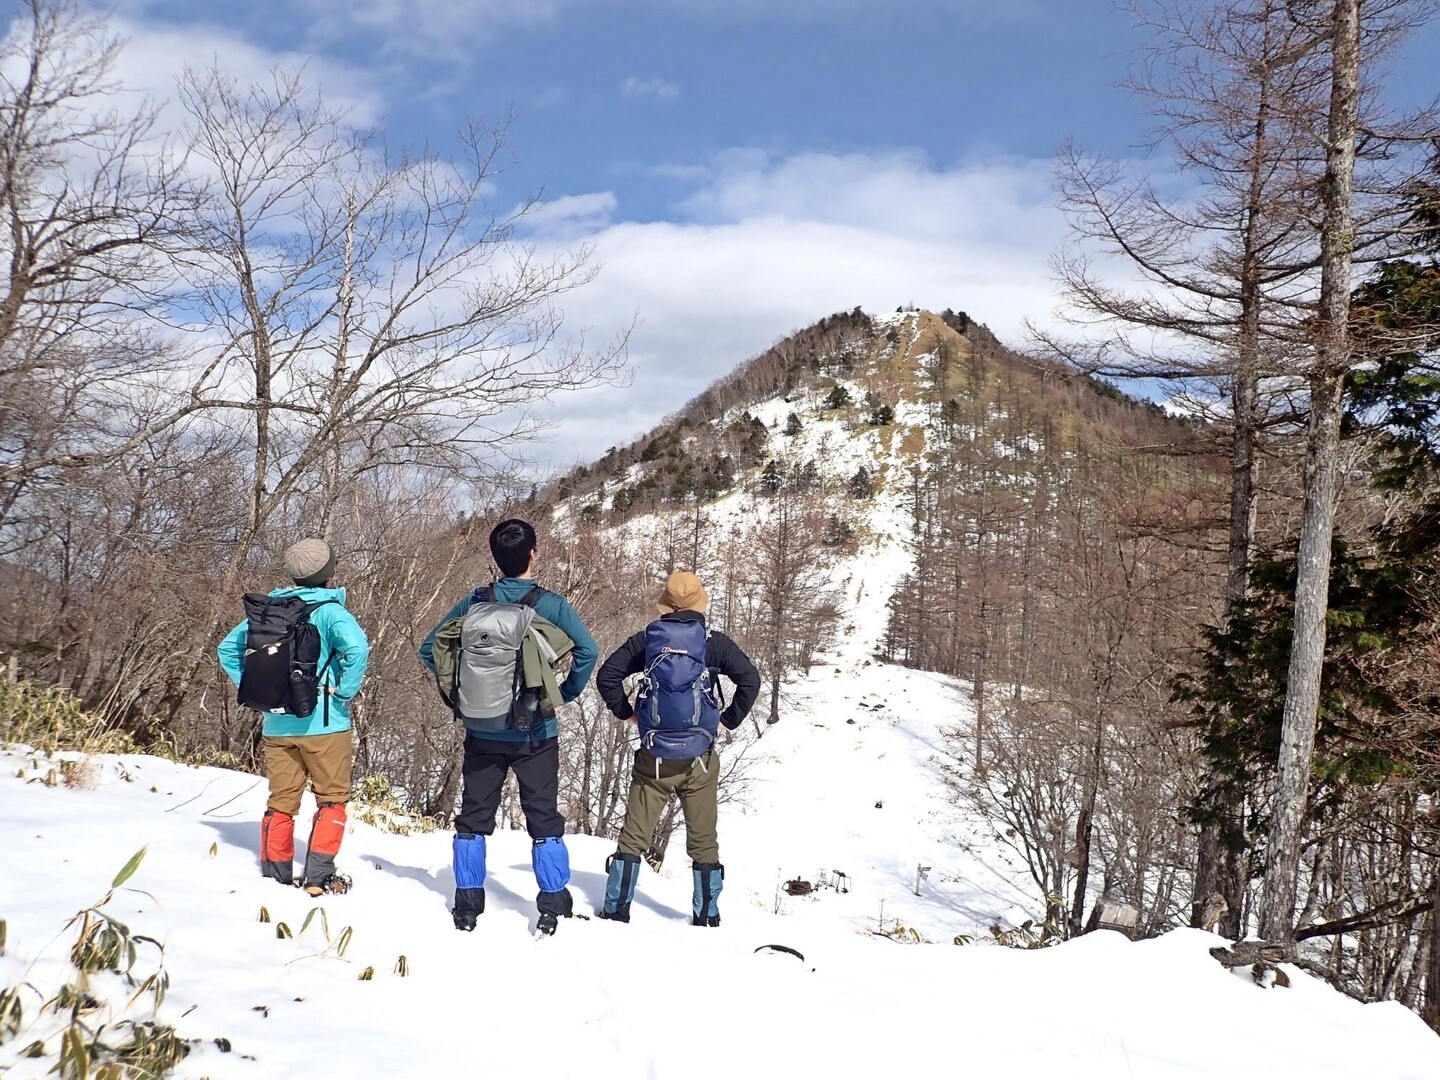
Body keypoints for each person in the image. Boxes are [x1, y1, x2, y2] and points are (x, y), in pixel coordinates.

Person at [419, 518, 598, 935]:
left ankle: (467, 904)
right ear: (533, 553)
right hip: (536, 733)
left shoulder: (476, 601)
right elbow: (588, 651)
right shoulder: (550, 605)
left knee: (473, 818)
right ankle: (552, 902)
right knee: (543, 817)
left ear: (496, 558)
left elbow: (431, 648)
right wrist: (562, 695)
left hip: (482, 731)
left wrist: (459, 694)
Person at [594, 571, 760, 926]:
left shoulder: (646, 642)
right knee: (703, 842)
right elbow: (751, 679)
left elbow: (607, 675)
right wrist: (727, 720)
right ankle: (706, 916)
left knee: (633, 838)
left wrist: (629, 714)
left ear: (666, 605)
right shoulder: (714, 643)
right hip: (699, 760)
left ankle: (615, 910)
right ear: (701, 603)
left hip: (654, 759)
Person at [218, 538, 370, 895]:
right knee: (331, 800)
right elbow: (357, 649)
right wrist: (344, 692)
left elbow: (227, 649)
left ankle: (275, 877)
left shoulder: (269, 610)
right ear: (329, 572)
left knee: (280, 802)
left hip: (276, 724)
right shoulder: (331, 612)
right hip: (325, 725)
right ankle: (318, 878)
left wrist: (257, 690)